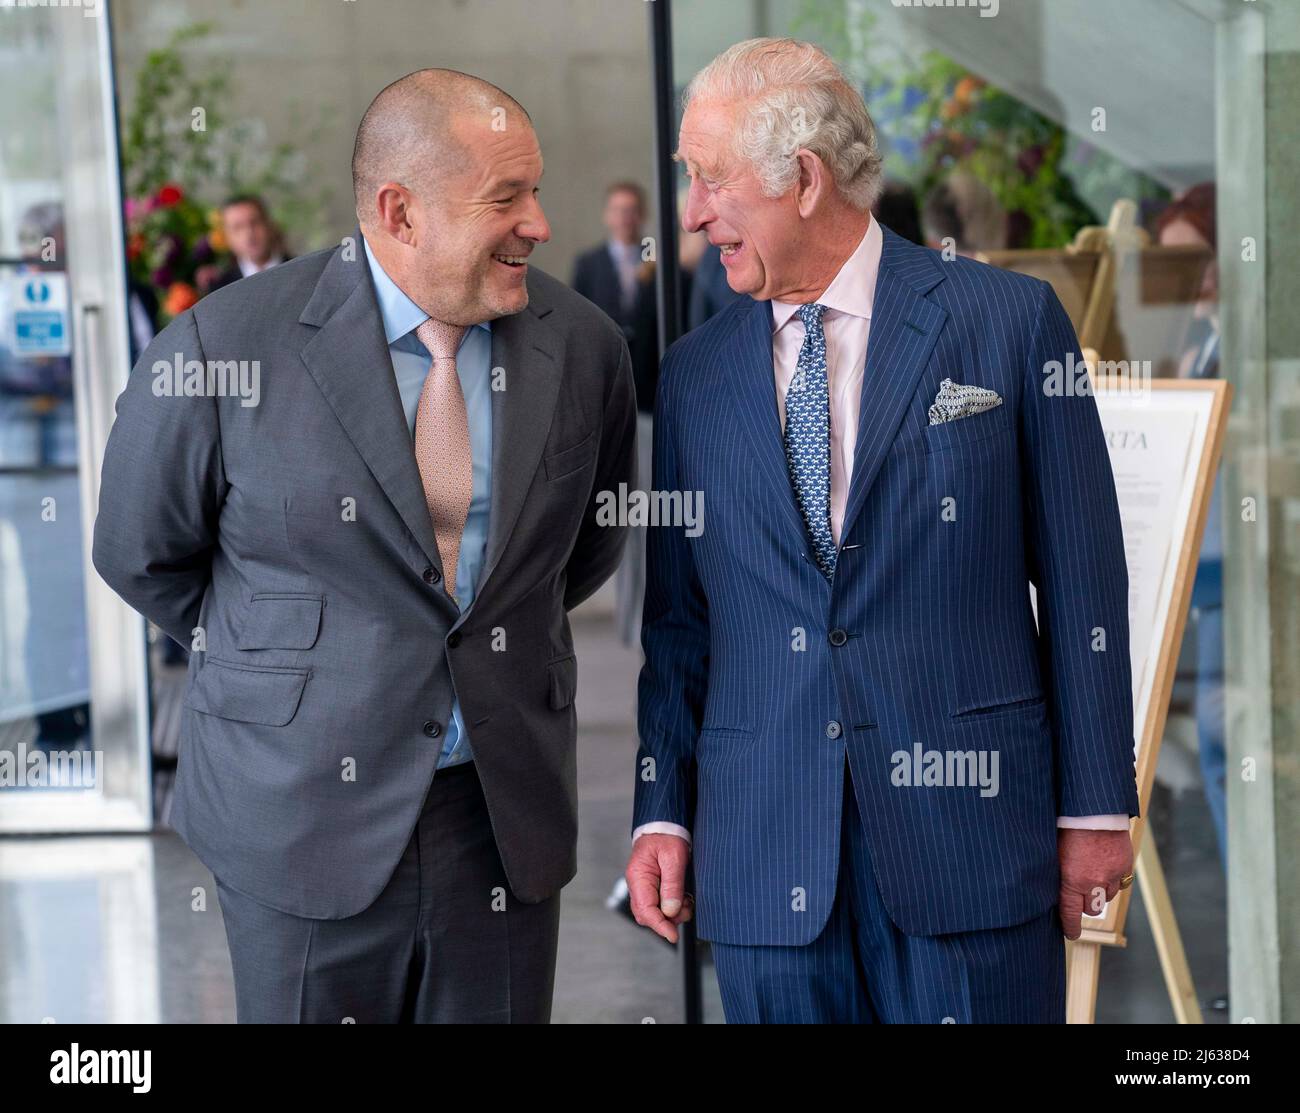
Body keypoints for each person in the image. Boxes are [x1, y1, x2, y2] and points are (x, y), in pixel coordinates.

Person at [94, 68, 636, 1023]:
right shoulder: (223, 347)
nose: (540, 224)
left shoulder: (585, 345)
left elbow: (581, 548)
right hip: (297, 814)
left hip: (501, 817)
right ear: (400, 211)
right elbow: (142, 550)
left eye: (537, 190)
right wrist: (299, 656)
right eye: (506, 198)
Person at [625, 38, 1138, 1023]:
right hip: (763, 856)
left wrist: (1094, 809)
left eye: (710, 179)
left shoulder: (1011, 324)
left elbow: (1083, 585)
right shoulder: (692, 376)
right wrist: (661, 807)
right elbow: (679, 626)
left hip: (972, 845)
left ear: (804, 180)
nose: (690, 213)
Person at [199, 194, 291, 293]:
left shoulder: (303, 270)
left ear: (269, 225)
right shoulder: (220, 290)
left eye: (255, 222)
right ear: (227, 237)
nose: (249, 234)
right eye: (237, 227)